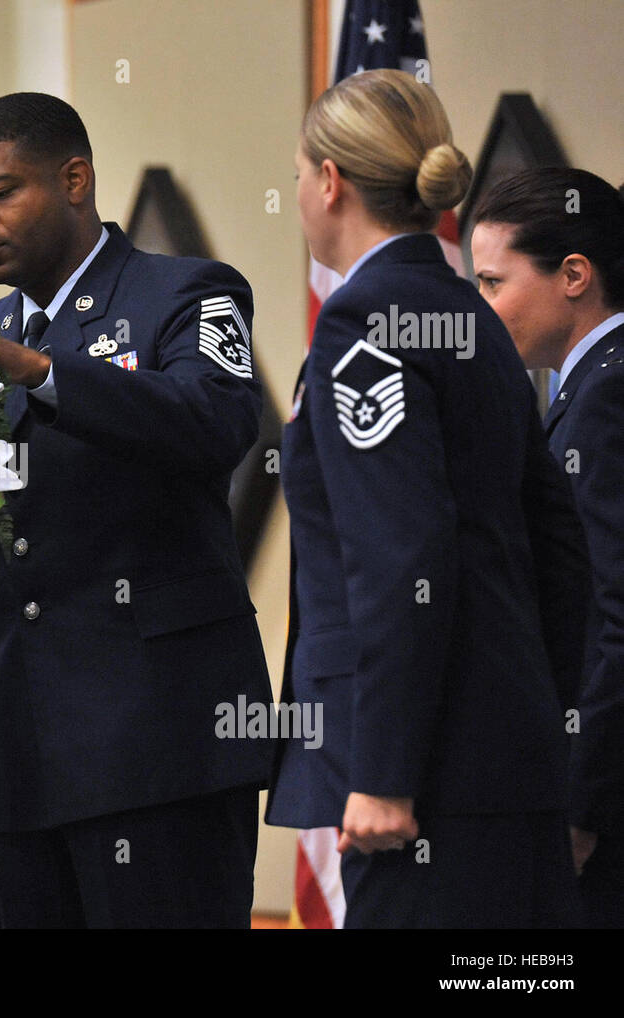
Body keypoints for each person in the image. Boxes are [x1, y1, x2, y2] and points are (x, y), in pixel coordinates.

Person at [0, 92, 274, 928]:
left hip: (159, 743)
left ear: (74, 179)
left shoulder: (188, 292)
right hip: (20, 746)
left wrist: (37, 369)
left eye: (0, 191)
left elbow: (216, 422)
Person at [265, 69, 590, 928]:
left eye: (299, 174)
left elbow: (400, 555)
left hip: (422, 784)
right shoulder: (471, 313)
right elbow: (559, 550)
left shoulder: (362, 321)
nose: (299, 193)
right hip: (507, 765)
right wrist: (539, 730)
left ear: (329, 182)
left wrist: (384, 772)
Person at [470, 168, 624, 928]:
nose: (480, 306)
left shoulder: (604, 398)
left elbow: (614, 617)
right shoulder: (588, 386)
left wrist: (583, 802)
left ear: (573, 275)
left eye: (494, 281)